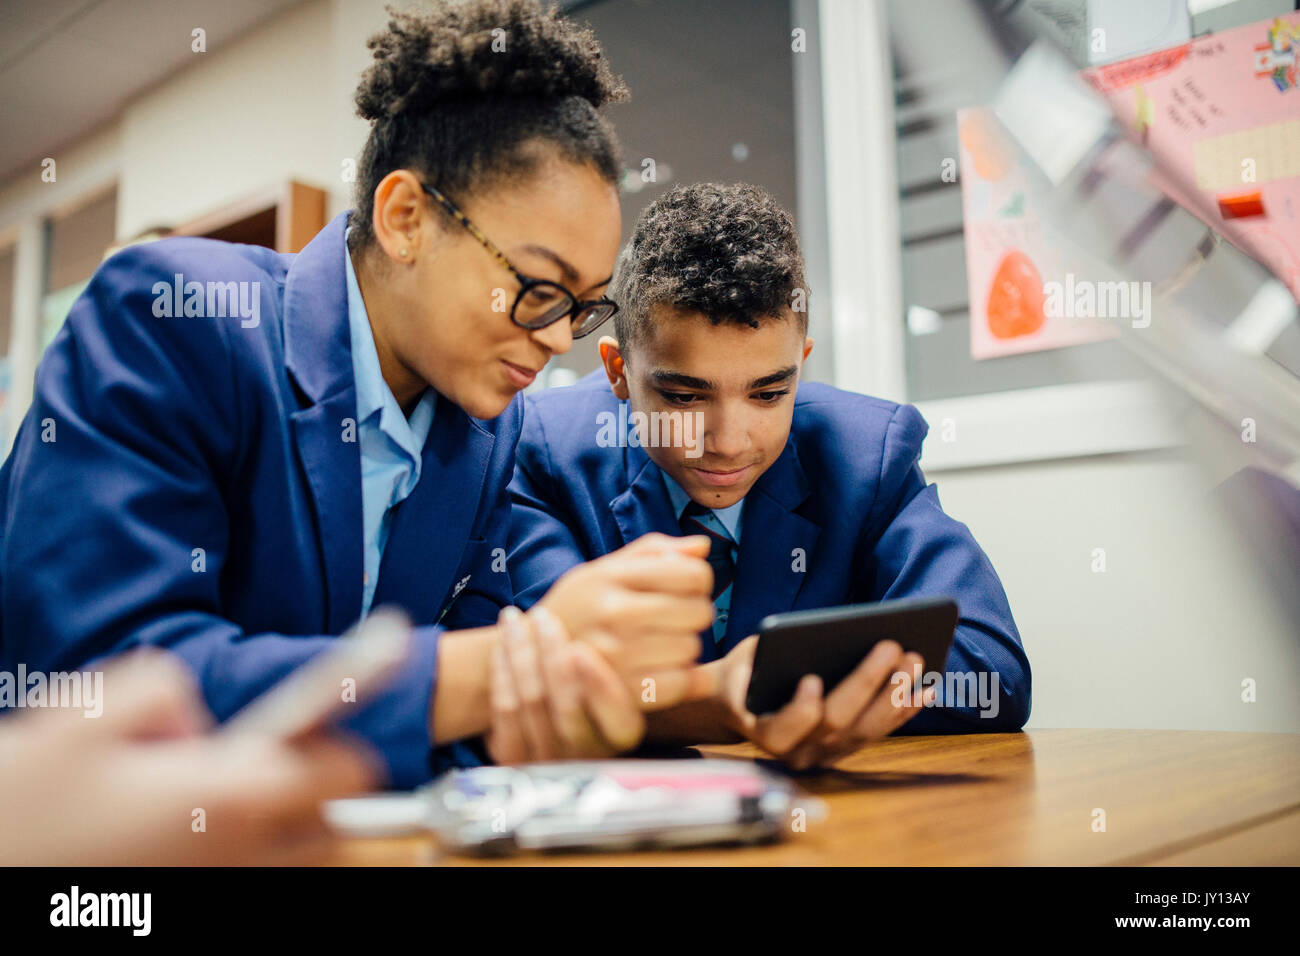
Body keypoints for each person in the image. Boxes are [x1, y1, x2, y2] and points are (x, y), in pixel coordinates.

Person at [0, 0, 714, 789]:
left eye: (581, 308)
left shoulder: (484, 430)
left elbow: (499, 702)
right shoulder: (176, 317)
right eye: (538, 288)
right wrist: (494, 670)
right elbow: (102, 685)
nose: (553, 339)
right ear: (405, 218)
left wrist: (718, 693)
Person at [508, 182, 1032, 770]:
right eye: (684, 396)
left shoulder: (867, 454)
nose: (729, 442)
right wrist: (723, 700)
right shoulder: (541, 451)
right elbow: (524, 692)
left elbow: (991, 672)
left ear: (801, 366)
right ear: (618, 370)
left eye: (769, 393)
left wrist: (783, 692)